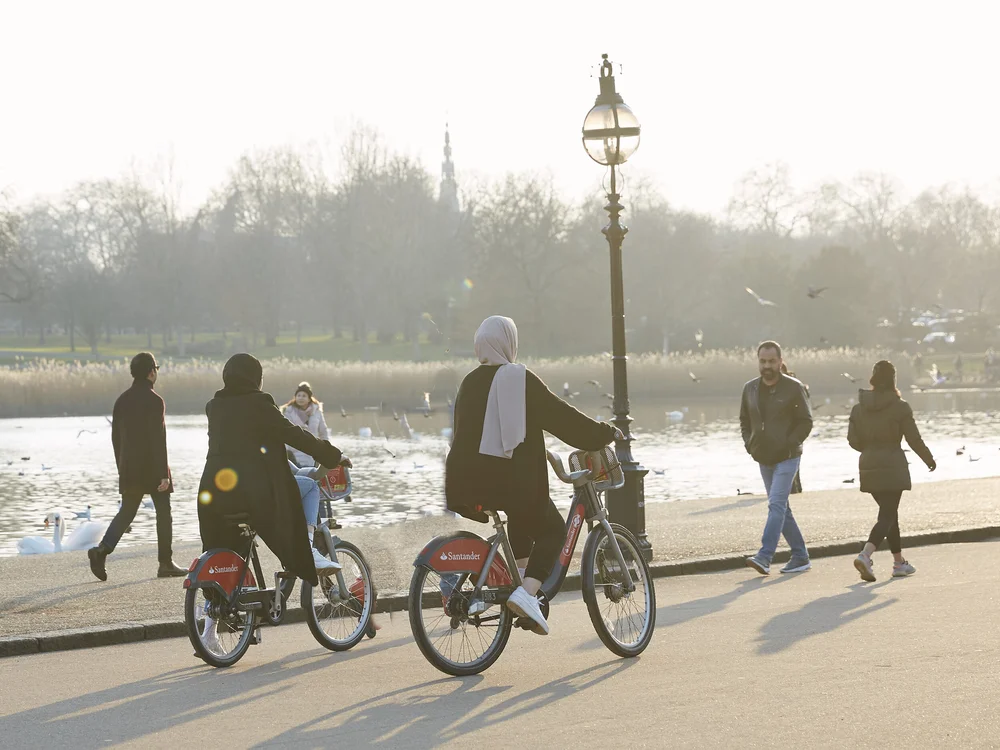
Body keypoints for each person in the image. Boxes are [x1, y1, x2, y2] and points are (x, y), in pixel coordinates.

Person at [445, 316, 617, 636]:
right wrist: (603, 434)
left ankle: (521, 585)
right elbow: (562, 418)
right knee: (553, 529)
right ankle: (527, 594)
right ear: (509, 342)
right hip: (511, 481)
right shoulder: (518, 378)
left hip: (468, 482)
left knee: (522, 517)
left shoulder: (469, 382)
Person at [197, 353, 348, 589]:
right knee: (309, 487)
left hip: (216, 494)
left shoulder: (214, 407)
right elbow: (295, 435)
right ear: (255, 378)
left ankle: (217, 611)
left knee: (225, 548)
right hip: (253, 494)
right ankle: (309, 551)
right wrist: (332, 455)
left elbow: (245, 448)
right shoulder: (260, 403)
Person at [88, 352, 185, 581]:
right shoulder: (155, 400)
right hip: (152, 468)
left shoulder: (122, 400)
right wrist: (163, 474)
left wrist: (121, 467)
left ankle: (102, 550)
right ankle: (165, 563)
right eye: (156, 369)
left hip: (129, 467)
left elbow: (116, 438)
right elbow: (158, 439)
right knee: (163, 512)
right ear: (151, 372)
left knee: (127, 511)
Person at [849, 360, 936, 582]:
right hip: (893, 467)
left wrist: (870, 450)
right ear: (893, 380)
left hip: (868, 466)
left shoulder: (859, 408)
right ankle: (865, 554)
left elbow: (852, 440)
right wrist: (929, 459)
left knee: (889, 514)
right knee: (887, 515)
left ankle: (899, 563)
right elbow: (913, 439)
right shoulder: (900, 407)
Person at [740, 341, 814, 575]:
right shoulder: (750, 389)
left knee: (776, 504)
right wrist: (750, 445)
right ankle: (800, 556)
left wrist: (789, 443)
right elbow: (744, 420)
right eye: (763, 361)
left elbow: (806, 421)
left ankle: (764, 556)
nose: (767, 366)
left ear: (780, 361)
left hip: (788, 456)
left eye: (772, 361)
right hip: (763, 456)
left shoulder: (793, 388)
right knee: (782, 508)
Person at [282, 382, 329, 467]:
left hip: (313, 453)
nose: (301, 398)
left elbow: (323, 432)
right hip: (294, 455)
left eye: (304, 396)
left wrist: (327, 450)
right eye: (298, 395)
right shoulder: (288, 412)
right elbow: (285, 433)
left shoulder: (317, 412)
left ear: (309, 398)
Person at [780, 362, 806, 495]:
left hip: (792, 431)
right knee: (792, 463)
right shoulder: (794, 385)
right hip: (791, 431)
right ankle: (795, 489)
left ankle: (794, 489)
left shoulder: (793, 386)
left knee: (792, 461)